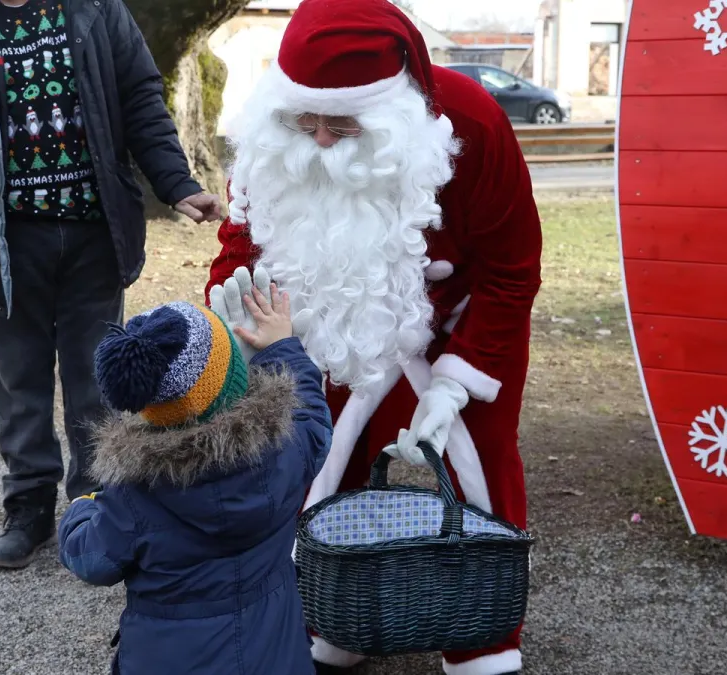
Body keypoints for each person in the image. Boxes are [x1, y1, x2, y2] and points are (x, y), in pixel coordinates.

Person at [204, 0, 542, 673]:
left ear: (395, 110)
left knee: (476, 467)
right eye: (308, 122)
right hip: (326, 317)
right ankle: (342, 612)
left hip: (456, 320)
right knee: (327, 462)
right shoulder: (274, 129)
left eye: (344, 125)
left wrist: (456, 381)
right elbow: (245, 232)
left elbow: (513, 265)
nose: (322, 142)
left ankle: (481, 636)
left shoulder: (471, 121)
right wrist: (231, 298)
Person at [0, 0, 222, 569]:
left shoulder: (98, 10)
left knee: (95, 377)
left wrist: (175, 182)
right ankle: (28, 507)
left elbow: (141, 99)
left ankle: (96, 506)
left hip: (95, 232)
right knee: (18, 378)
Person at [57, 288, 332, 675]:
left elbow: (93, 561)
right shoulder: (287, 451)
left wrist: (80, 510)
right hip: (275, 655)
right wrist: (283, 347)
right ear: (235, 377)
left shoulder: (133, 493)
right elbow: (314, 415)